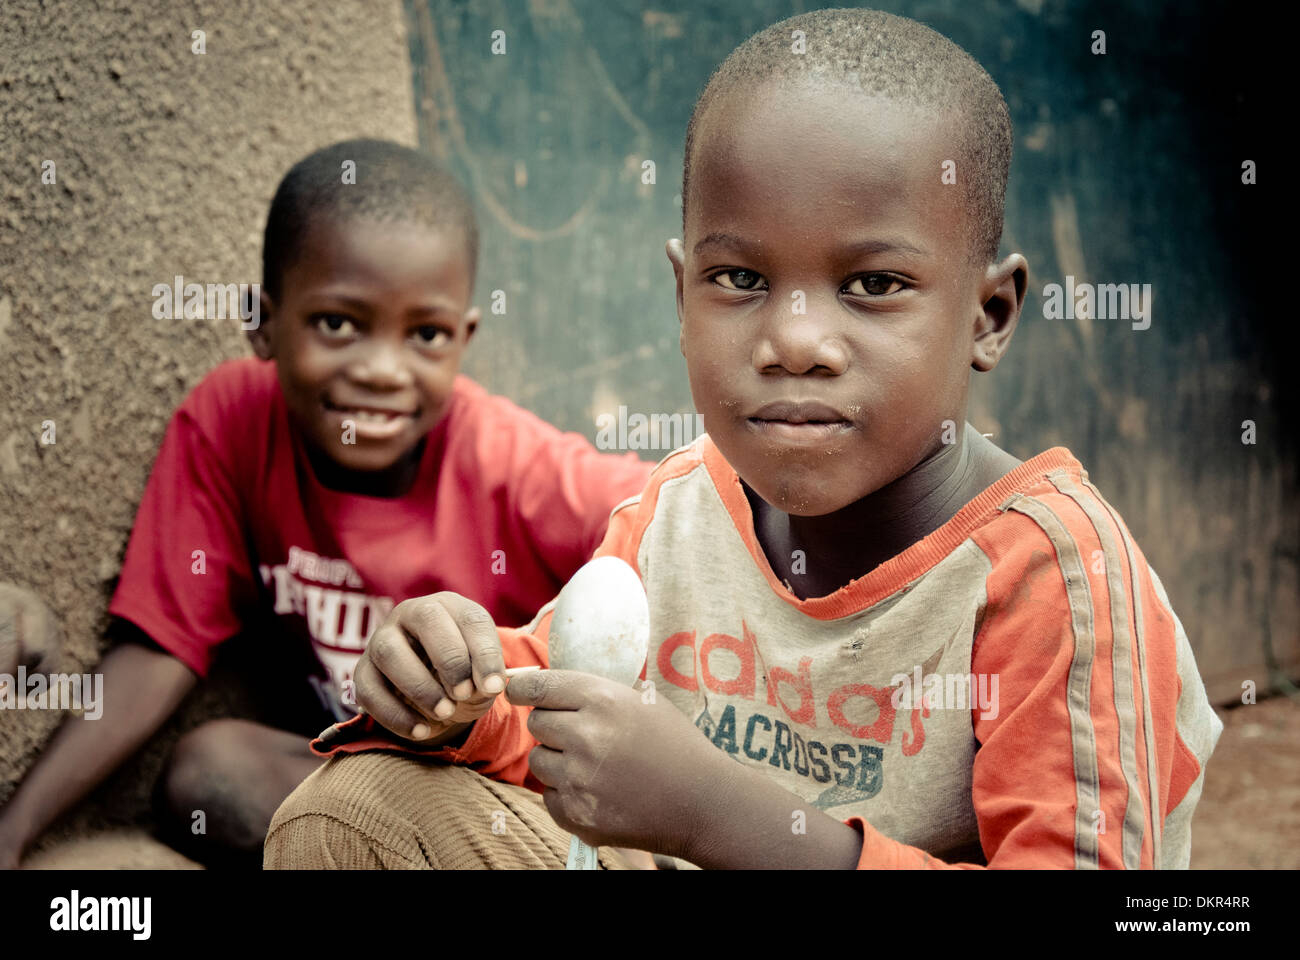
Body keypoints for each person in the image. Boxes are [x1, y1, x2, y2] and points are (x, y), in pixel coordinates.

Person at [264, 11, 1222, 870]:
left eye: (874, 285)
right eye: (740, 280)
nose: (794, 343)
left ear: (989, 315)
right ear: (681, 296)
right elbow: (551, 720)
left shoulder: (1054, 576)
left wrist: (718, 817)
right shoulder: (679, 511)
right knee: (351, 816)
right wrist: (448, 693)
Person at [0, 139, 652, 869]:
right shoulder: (235, 421)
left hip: (517, 809)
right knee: (210, 775)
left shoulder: (506, 460)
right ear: (262, 323)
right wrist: (14, 834)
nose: (380, 370)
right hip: (368, 784)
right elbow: (158, 650)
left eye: (426, 335)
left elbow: (671, 513)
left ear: (463, 340)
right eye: (338, 324)